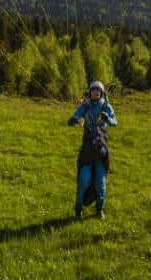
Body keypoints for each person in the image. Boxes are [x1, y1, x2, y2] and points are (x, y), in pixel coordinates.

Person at [67, 80, 117, 219]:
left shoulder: (106, 106)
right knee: (84, 180)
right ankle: (78, 209)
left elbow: (115, 122)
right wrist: (73, 120)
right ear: (90, 92)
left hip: (101, 150)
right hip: (87, 150)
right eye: (93, 90)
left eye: (98, 90)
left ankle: (99, 210)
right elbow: (76, 115)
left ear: (101, 93)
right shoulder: (86, 105)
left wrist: (108, 119)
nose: (95, 92)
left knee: (101, 184)